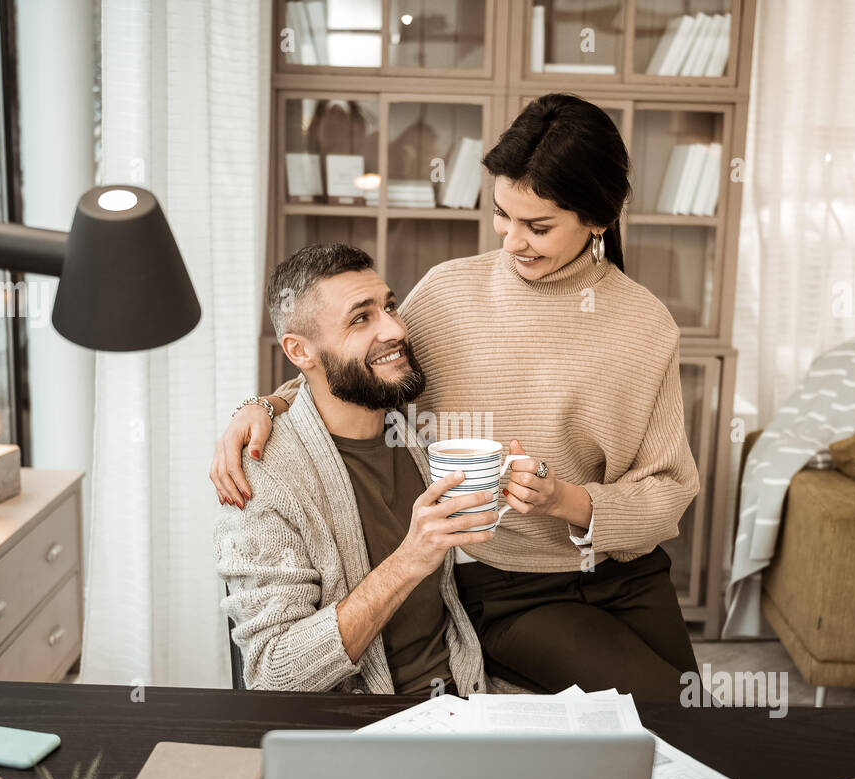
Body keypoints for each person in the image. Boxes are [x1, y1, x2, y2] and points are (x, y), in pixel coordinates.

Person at [212, 94, 701, 703]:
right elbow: (362, 365)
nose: (513, 241)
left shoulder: (646, 326)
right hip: (506, 585)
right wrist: (263, 405)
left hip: (629, 574)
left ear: (598, 220)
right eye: (502, 215)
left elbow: (669, 492)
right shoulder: (449, 295)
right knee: (665, 709)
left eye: (538, 226)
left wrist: (563, 500)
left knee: (699, 713)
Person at [214, 243, 498, 696]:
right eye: (361, 318)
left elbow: (327, 379)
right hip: (362, 725)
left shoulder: (410, 425)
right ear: (299, 350)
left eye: (389, 306)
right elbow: (271, 675)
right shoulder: (262, 475)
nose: (395, 329)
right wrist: (408, 562)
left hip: (468, 690)